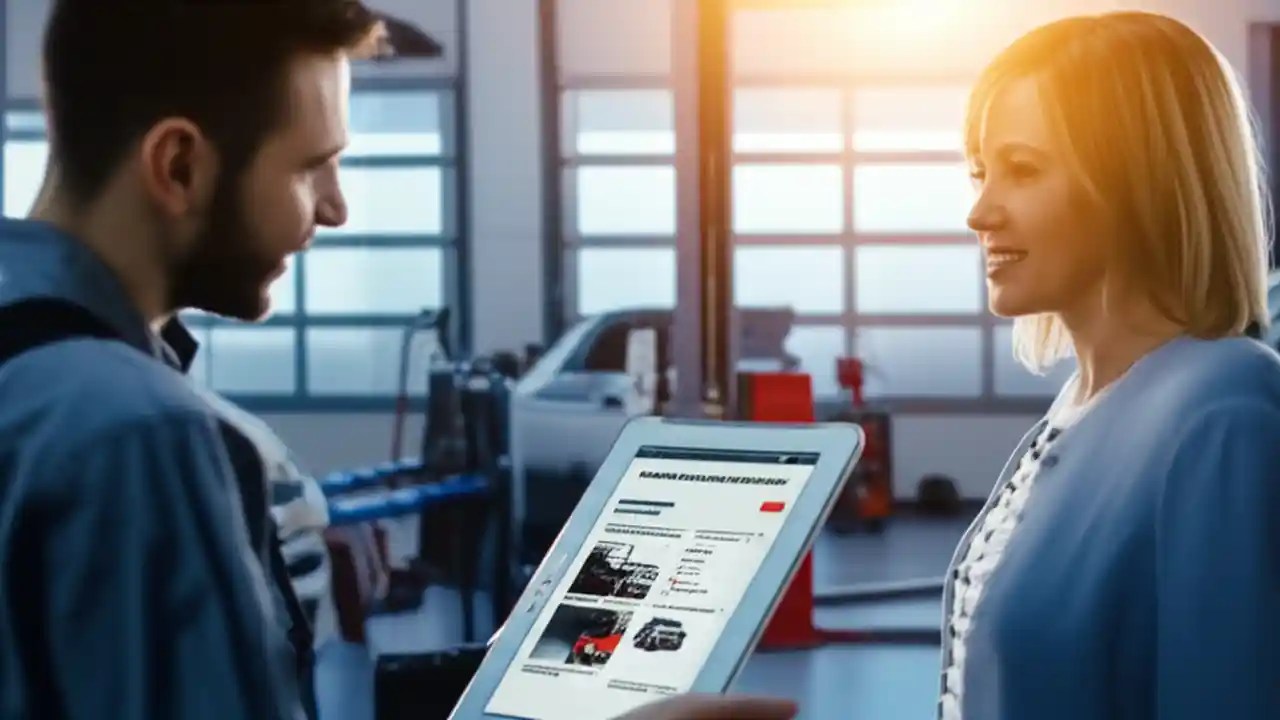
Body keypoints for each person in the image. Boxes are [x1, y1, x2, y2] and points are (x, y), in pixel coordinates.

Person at [0, 2, 798, 719]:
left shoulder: (40, 378)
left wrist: (470, 690)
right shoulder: (142, 433)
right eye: (309, 165)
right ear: (178, 165)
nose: (336, 206)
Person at [944, 10, 1280, 720]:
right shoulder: (1083, 405)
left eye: (1022, 171)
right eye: (980, 173)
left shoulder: (1223, 410)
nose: (980, 212)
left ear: (1137, 181)